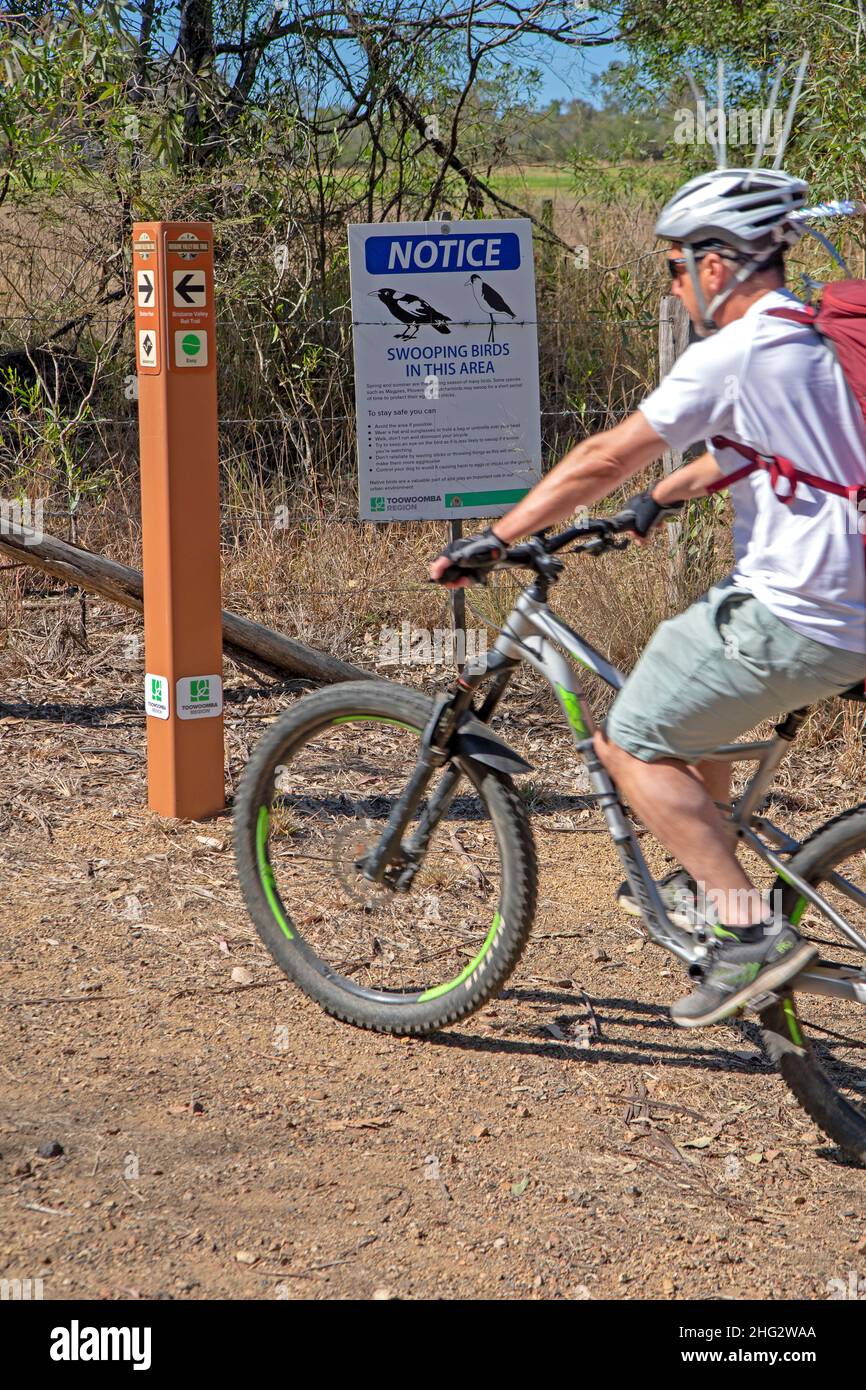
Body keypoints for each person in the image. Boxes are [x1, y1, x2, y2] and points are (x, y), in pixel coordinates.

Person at [429, 167, 866, 1028]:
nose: (673, 284)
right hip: (849, 611)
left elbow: (604, 455)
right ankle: (703, 872)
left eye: (675, 266)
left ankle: (748, 936)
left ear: (715, 266)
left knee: (629, 741)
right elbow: (761, 452)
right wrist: (663, 500)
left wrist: (499, 535)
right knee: (684, 659)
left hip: (797, 613)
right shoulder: (808, 341)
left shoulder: (734, 351)